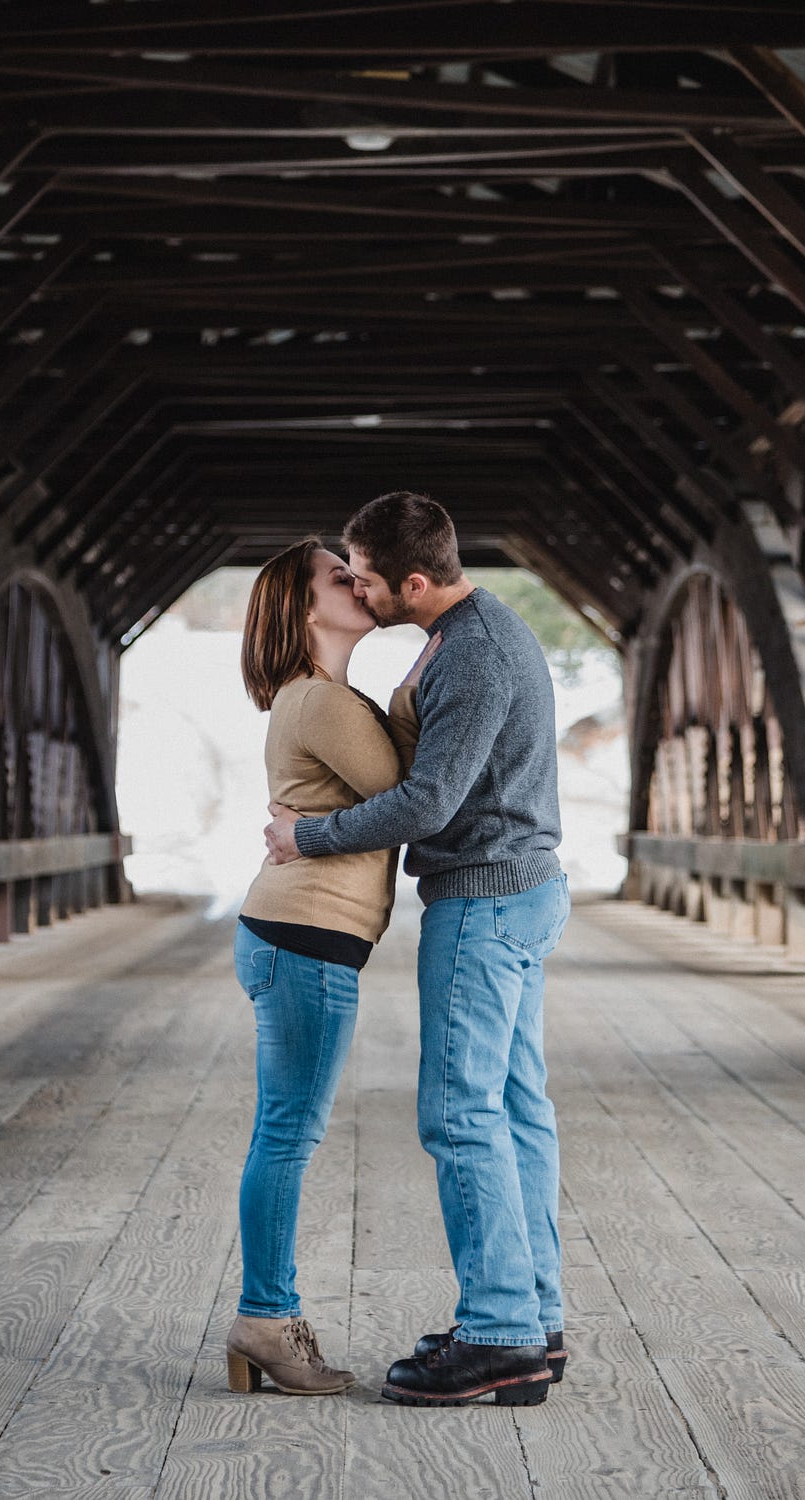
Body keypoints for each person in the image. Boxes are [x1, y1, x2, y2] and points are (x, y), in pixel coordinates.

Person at [264, 492, 570, 1408]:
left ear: (416, 582)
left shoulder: (473, 653)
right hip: (512, 894)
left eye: (364, 575)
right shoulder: (465, 634)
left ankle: (498, 1337)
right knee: (515, 1112)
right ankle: (530, 1320)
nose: (354, 584)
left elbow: (428, 803)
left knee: (460, 1114)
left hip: (486, 901)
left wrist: (304, 840)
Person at [226, 536, 435, 1397]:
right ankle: (266, 1321)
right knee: (288, 1134)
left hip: (299, 939)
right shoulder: (318, 701)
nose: (358, 582)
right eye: (337, 576)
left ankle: (264, 1319)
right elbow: (422, 793)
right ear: (306, 608)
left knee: (285, 1129)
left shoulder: (326, 698)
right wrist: (420, 691)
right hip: (304, 941)